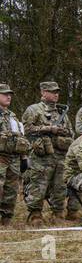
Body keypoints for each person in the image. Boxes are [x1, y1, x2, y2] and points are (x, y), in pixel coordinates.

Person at [22, 81, 74, 221]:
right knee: (38, 185)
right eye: (52, 91)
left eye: (57, 91)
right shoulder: (33, 110)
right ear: (43, 92)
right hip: (42, 156)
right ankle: (35, 215)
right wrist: (48, 129)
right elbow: (27, 130)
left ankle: (57, 214)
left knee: (60, 186)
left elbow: (71, 132)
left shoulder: (62, 112)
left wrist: (63, 132)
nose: (56, 94)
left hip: (60, 155)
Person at [0, 83, 30, 226]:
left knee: (11, 190)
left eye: (10, 94)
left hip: (13, 158)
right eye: (5, 94)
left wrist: (24, 158)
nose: (8, 96)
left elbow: (21, 137)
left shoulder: (13, 116)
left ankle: (6, 219)